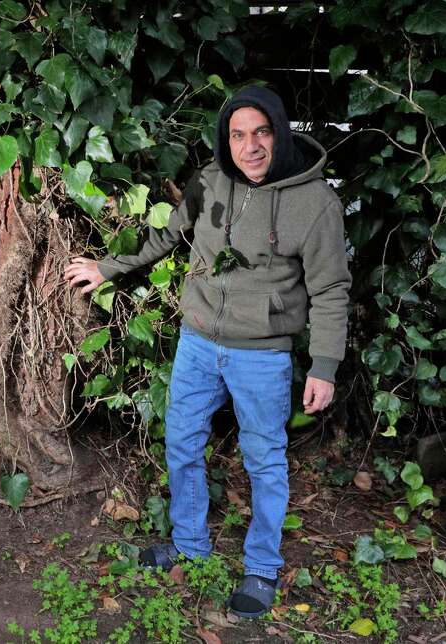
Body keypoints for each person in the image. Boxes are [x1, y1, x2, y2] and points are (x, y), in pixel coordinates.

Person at [64, 85, 350, 619]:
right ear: (226, 140)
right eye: (238, 135)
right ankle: (190, 546)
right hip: (197, 343)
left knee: (265, 461)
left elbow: (331, 289)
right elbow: (169, 237)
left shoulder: (316, 204)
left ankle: (261, 569)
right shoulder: (210, 181)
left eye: (261, 132)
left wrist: (325, 366)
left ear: (279, 132)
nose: (251, 146)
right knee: (181, 444)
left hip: (262, 354)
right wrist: (109, 268)